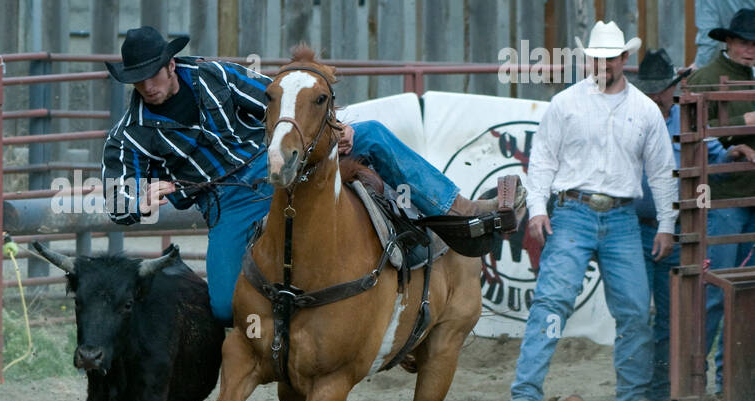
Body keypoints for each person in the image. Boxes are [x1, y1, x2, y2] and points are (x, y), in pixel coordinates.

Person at [99, 27, 515, 325]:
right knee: (226, 308)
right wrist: (136, 200)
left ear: (171, 64)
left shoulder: (215, 76)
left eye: (153, 74)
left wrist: (335, 128)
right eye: (137, 79)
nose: (147, 86)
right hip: (229, 203)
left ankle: (457, 210)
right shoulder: (128, 137)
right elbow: (116, 202)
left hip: (276, 161)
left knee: (368, 134)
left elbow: (284, 100)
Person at [507, 21, 677, 401]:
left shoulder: (644, 110)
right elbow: (543, 160)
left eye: (610, 58)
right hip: (572, 211)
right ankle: (525, 395)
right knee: (552, 302)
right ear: (588, 60)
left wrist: (667, 222)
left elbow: (661, 171)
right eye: (596, 59)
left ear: (624, 59)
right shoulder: (566, 104)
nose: (603, 65)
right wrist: (538, 209)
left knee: (635, 308)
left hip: (621, 216)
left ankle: (632, 396)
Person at [633, 49, 732, 401]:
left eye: (660, 89)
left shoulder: (684, 120)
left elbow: (713, 152)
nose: (656, 95)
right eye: (652, 89)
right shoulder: (637, 118)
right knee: (635, 312)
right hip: (638, 225)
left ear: (668, 90)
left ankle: (658, 390)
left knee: (668, 317)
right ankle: (636, 392)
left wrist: (730, 153)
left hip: (669, 228)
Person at [683, 8, 755, 394]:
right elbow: (693, 138)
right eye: (744, 42)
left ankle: (734, 381)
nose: (750, 49)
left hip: (746, 198)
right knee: (715, 290)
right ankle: (700, 380)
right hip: (723, 200)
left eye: (754, 43)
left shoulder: (716, 77)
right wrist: (729, 148)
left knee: (746, 292)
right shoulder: (704, 80)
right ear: (728, 42)